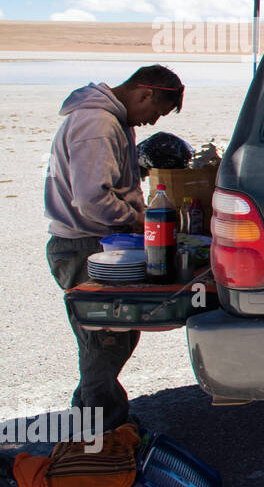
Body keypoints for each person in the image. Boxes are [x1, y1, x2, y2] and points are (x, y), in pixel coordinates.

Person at [44, 65, 185, 433]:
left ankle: (92, 419)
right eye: (155, 112)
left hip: (91, 242)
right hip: (86, 247)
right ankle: (100, 432)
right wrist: (141, 222)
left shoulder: (110, 121)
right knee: (104, 341)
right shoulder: (98, 124)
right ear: (144, 94)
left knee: (108, 339)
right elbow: (92, 199)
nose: (152, 121)